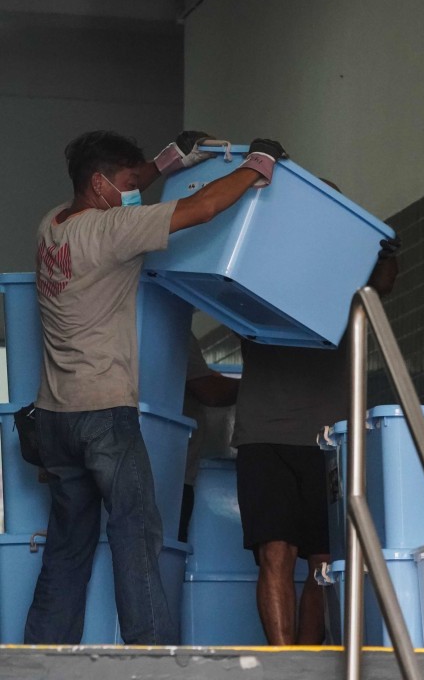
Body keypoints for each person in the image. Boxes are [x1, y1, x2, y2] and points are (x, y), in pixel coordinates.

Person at [25, 129, 286, 645]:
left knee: (67, 548)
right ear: (99, 185)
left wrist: (171, 157)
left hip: (54, 417)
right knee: (137, 537)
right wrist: (259, 163)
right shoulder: (112, 229)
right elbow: (206, 208)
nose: (134, 191)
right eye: (125, 183)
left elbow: (138, 178)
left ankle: (41, 661)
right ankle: (151, 660)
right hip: (103, 416)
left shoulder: (51, 226)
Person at [232, 227, 400, 646]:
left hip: (330, 438)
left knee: (326, 562)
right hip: (264, 435)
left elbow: (382, 283)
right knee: (276, 553)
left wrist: (380, 247)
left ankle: (307, 660)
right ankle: (284, 665)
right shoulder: (254, 269)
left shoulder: (345, 274)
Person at [178, 333, 240, 543]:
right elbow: (209, 391)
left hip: (167, 468)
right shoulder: (175, 329)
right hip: (174, 475)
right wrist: (257, 386)